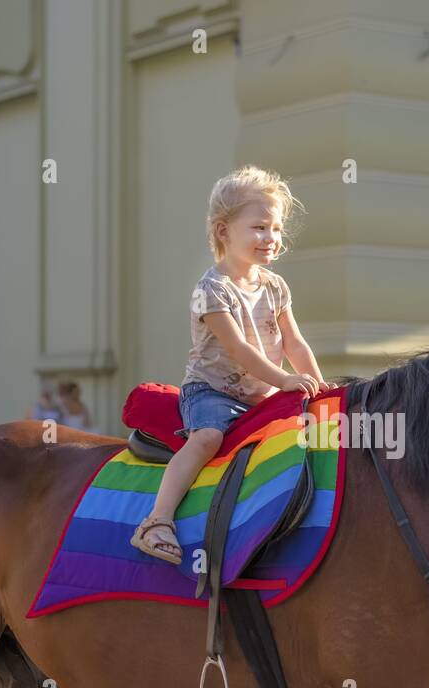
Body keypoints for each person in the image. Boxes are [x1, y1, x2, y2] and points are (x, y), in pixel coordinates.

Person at [131, 165, 329, 562]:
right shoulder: (211, 290)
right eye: (258, 227)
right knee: (208, 438)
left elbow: (294, 341)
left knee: (316, 436)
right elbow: (237, 348)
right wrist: (285, 380)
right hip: (213, 392)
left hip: (265, 391)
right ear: (224, 231)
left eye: (275, 228)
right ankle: (157, 520)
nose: (271, 238)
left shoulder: (275, 286)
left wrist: (319, 384)